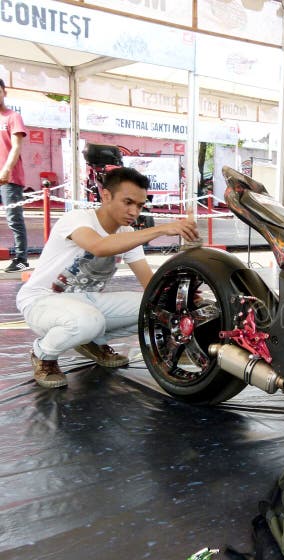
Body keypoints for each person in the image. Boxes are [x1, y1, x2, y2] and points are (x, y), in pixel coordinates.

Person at [16, 167, 199, 388]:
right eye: (128, 202)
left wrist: (182, 297)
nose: (134, 211)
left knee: (155, 308)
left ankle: (92, 341)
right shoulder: (77, 219)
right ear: (106, 196)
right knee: (87, 321)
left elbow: (150, 286)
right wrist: (160, 230)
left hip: (87, 303)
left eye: (140, 206)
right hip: (41, 301)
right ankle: (42, 354)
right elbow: (99, 246)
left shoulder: (127, 234)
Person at [0, 78, 30, 272]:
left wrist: (6, 169)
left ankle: (21, 259)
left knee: (14, 218)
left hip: (9, 178)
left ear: (4, 91)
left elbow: (16, 146)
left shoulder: (13, 117)